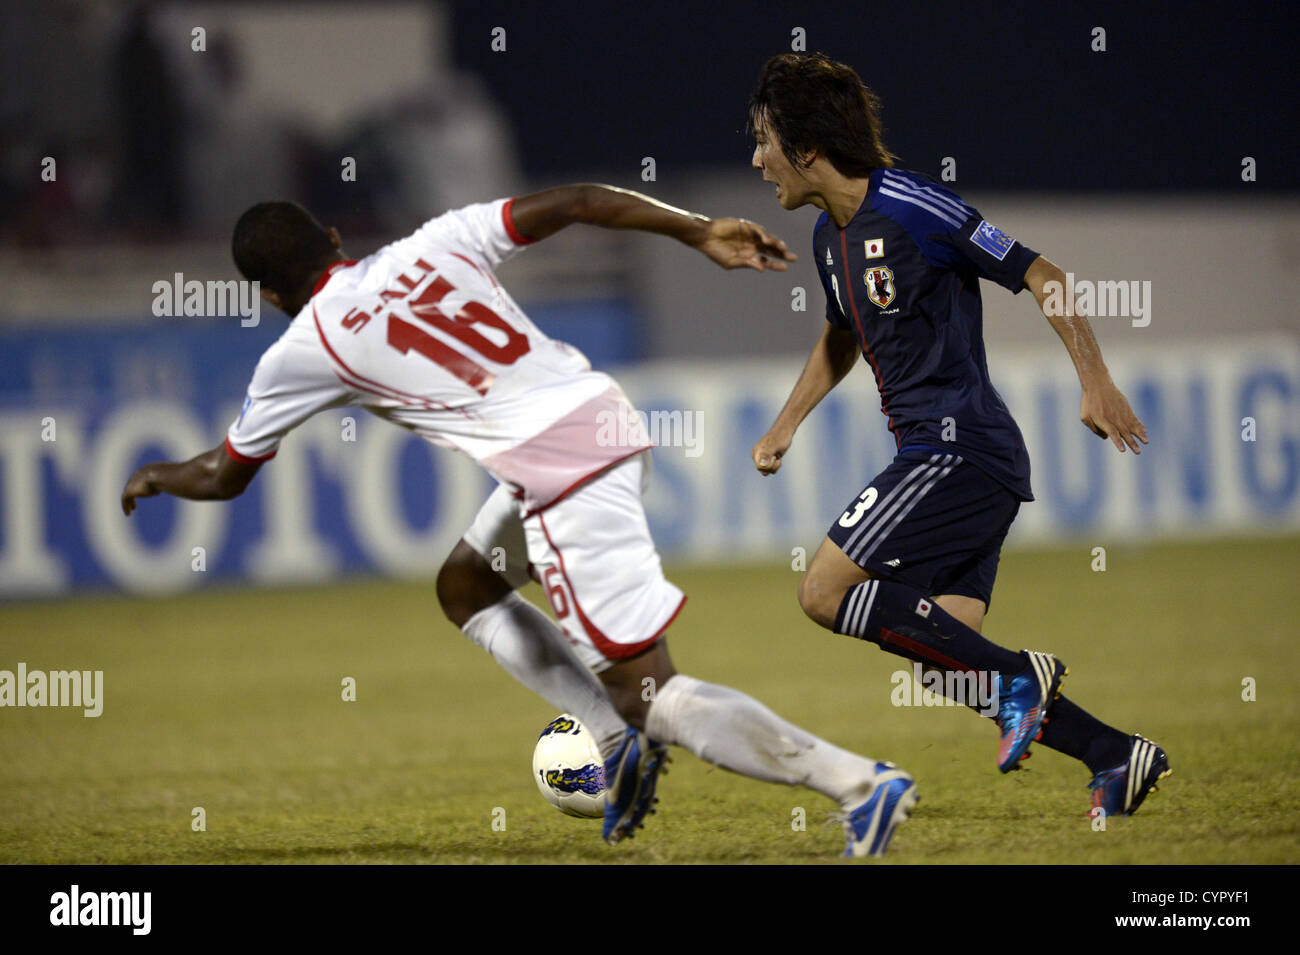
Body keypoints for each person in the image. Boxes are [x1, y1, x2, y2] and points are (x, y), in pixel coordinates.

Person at [121, 184, 918, 857]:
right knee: (466, 583)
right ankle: (612, 737)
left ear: (266, 297)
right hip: (598, 415)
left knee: (652, 692)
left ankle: (857, 782)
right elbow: (578, 201)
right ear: (335, 238)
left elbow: (225, 473)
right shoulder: (432, 242)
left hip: (562, 471)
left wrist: (157, 472)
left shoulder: (303, 348)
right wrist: (696, 228)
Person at [745, 52, 1171, 820]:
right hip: (961, 460)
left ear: (806, 148)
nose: (756, 159)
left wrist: (1095, 379)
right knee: (948, 654)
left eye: (763, 139)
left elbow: (1045, 274)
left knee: (822, 591)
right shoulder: (825, 239)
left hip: (958, 447)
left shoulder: (916, 208)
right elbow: (845, 331)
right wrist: (786, 423)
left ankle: (1024, 678)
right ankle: (1115, 752)